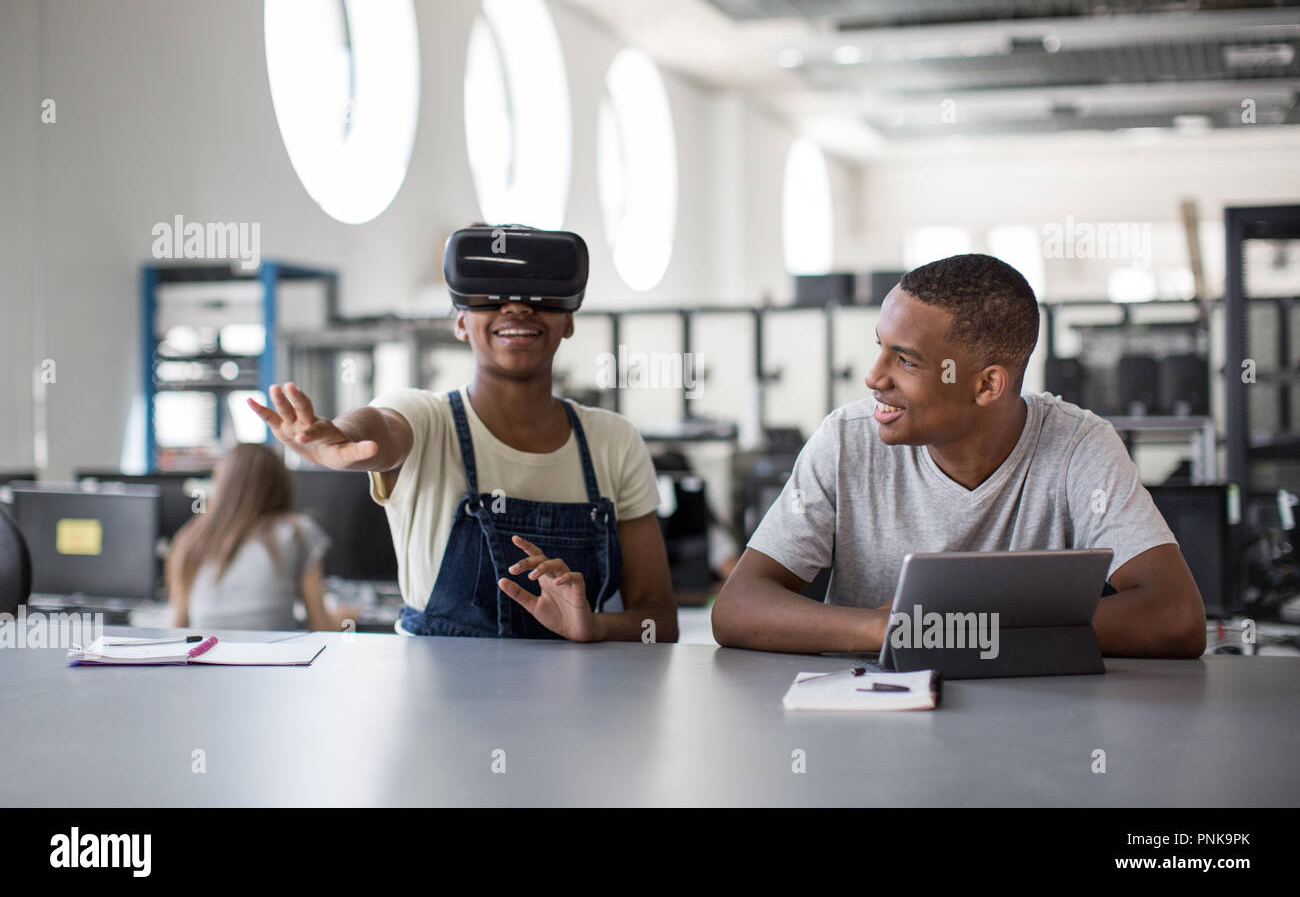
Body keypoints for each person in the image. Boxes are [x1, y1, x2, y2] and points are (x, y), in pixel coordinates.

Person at [712, 253, 1206, 658]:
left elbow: (1175, 616)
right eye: (880, 347)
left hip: (1040, 729)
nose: (874, 377)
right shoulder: (845, 440)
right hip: (875, 725)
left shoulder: (1079, 446)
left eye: (906, 360)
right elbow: (737, 607)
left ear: (988, 384)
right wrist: (881, 630)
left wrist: (961, 628)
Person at [247, 228, 678, 642]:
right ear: (459, 321)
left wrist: (596, 627)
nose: (517, 307)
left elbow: (659, 623)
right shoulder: (427, 420)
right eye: (493, 294)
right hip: (434, 708)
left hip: (577, 703)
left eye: (539, 294)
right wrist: (339, 435)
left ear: (568, 320)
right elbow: (381, 426)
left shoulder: (615, 441)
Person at [166, 443, 354, 632]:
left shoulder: (191, 537)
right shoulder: (296, 531)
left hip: (208, 658)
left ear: (221, 484)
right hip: (273, 658)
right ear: (280, 483)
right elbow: (320, 626)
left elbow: (178, 625)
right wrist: (344, 617)